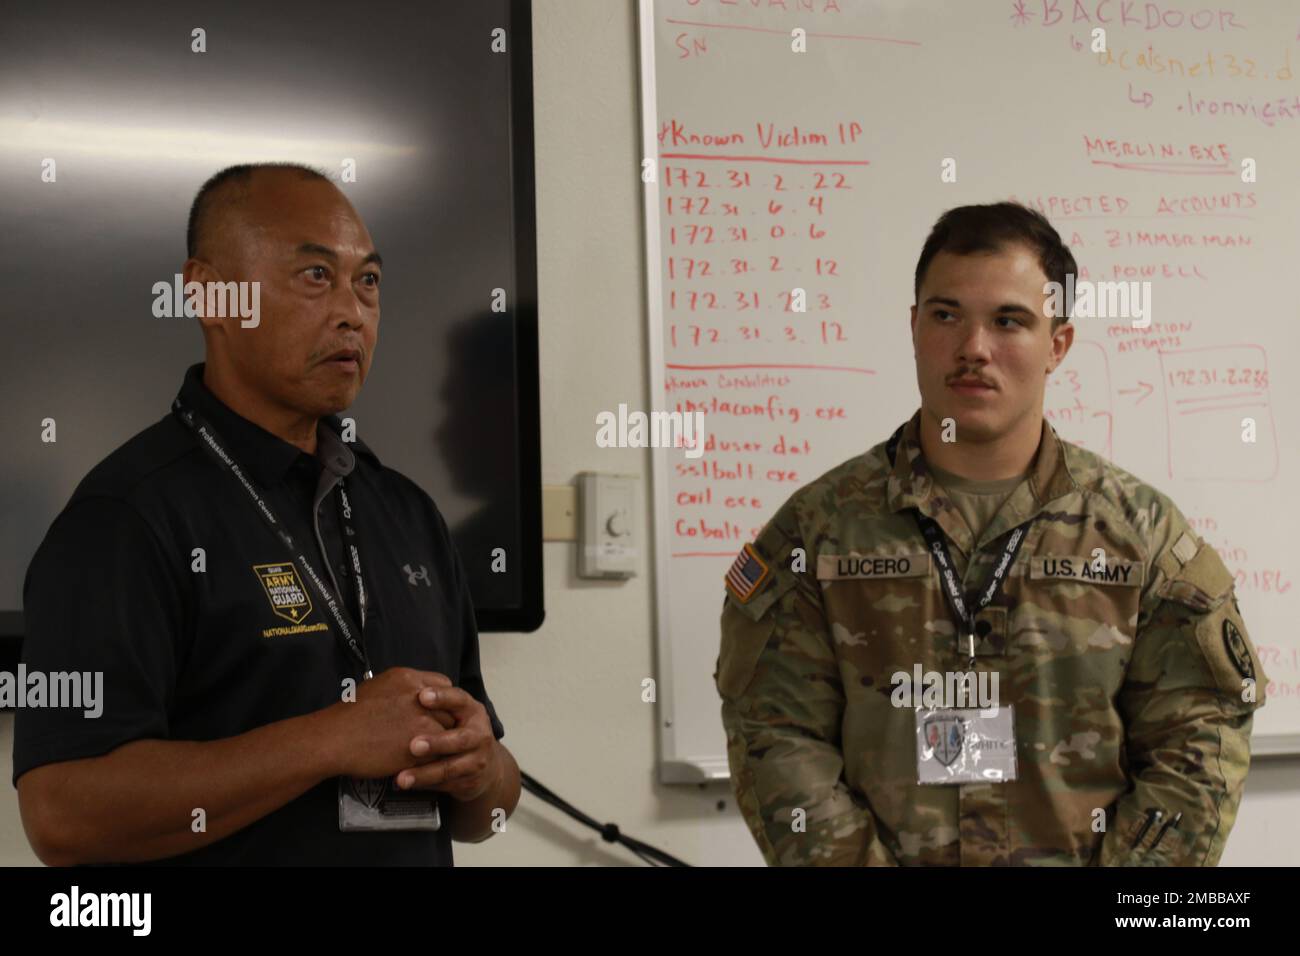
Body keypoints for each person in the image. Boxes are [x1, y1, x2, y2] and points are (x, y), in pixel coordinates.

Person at [716, 202, 1266, 867]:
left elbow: (1198, 740)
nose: (973, 348)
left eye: (1009, 321)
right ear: (914, 327)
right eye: (946, 315)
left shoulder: (1139, 534)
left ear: (1057, 344)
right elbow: (778, 738)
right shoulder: (816, 532)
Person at [14, 163, 520, 865]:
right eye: (316, 276)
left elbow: (483, 816)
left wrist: (483, 767)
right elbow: (62, 816)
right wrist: (332, 738)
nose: (352, 312)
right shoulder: (125, 518)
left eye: (367, 281)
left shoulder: (408, 512)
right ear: (210, 294)